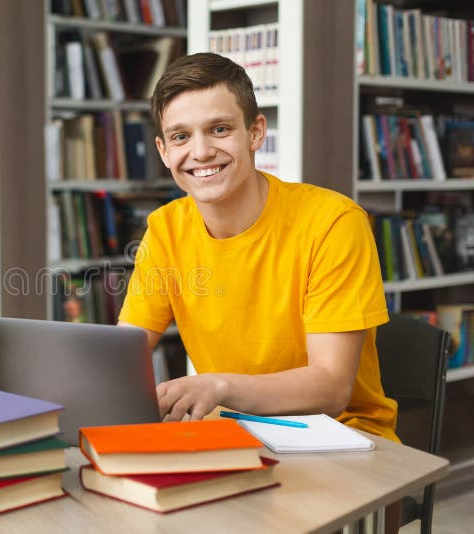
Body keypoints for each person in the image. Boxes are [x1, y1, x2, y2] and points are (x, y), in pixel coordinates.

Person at [117, 52, 397, 441]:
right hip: (234, 432)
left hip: (341, 437)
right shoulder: (165, 229)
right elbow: (121, 357)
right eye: (181, 136)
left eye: (219, 129)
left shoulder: (334, 223)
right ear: (164, 151)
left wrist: (218, 387)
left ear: (255, 132)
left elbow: (332, 389)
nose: (200, 151)